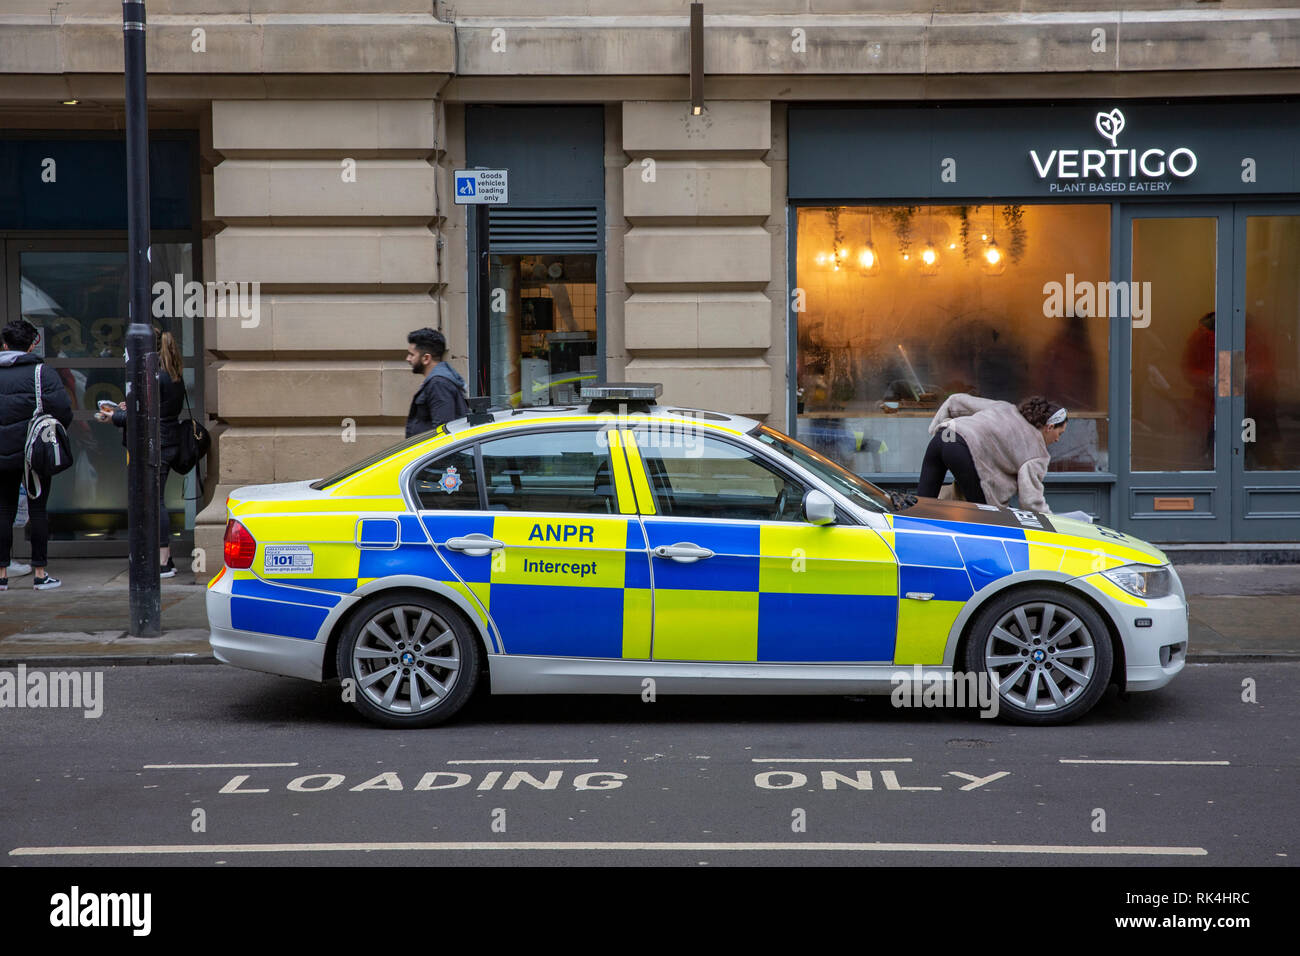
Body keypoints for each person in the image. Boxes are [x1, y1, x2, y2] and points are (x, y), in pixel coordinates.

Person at [95, 328, 186, 577]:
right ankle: (162, 558)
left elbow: (144, 417)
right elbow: (152, 408)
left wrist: (115, 416)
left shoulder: (154, 375)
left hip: (154, 444)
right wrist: (127, 407)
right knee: (155, 500)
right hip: (166, 441)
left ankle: (163, 561)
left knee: (155, 502)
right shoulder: (170, 371)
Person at [0, 319, 73, 591]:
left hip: (1, 454)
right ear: (31, 345)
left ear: (4, 345)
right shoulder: (41, 372)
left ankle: (1, 574)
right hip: (34, 454)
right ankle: (40, 574)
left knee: (3, 509)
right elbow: (63, 411)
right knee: (38, 509)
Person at [915, 393, 1066, 514]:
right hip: (962, 449)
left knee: (919, 507)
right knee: (986, 517)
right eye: (1060, 433)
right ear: (1049, 427)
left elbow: (955, 401)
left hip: (943, 436)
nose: (1058, 439)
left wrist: (935, 428)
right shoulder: (1037, 451)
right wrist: (1051, 522)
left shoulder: (1005, 408)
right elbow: (1031, 502)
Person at [405, 328, 468, 437]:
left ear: (426, 358)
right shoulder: (437, 382)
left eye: (412, 355)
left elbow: (442, 432)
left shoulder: (438, 384)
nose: (408, 359)